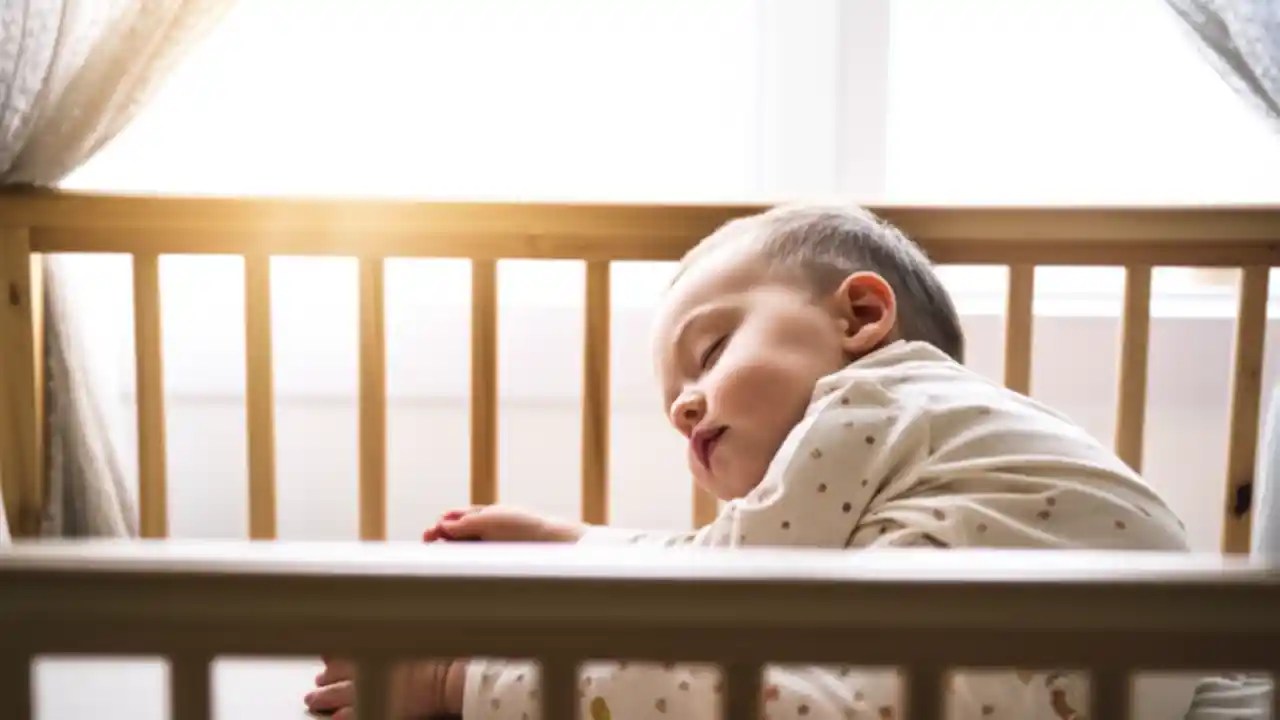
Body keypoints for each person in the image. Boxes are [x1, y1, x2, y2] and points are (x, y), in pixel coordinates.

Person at [306, 204, 1189, 719]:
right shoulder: (928, 446)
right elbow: (730, 564)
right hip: (1144, 670)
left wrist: (485, 637)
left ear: (859, 318)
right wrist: (571, 542)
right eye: (673, 403)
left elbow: (731, 580)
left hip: (1036, 660)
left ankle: (463, 681)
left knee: (721, 690)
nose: (687, 403)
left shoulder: (874, 397)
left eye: (713, 351)